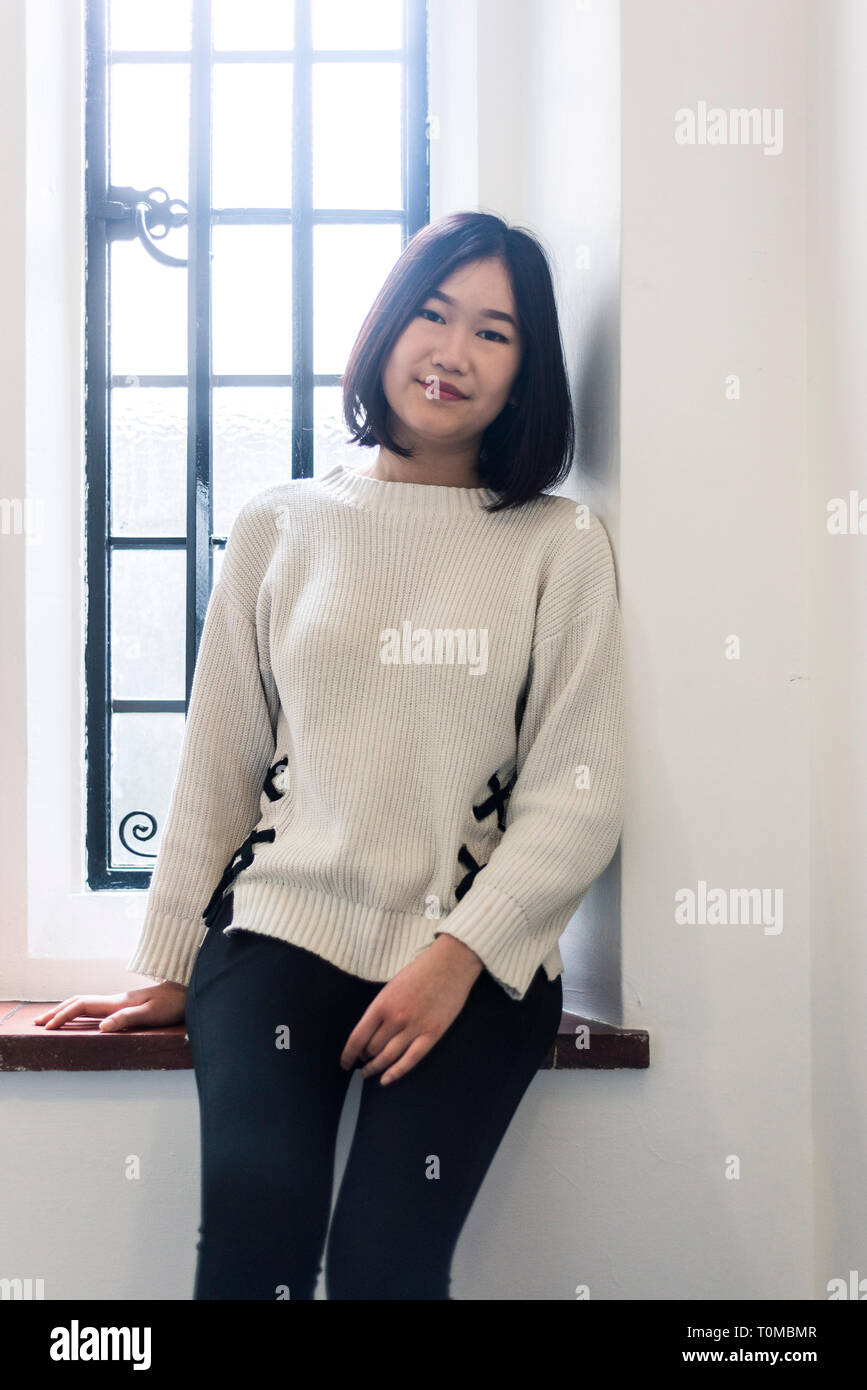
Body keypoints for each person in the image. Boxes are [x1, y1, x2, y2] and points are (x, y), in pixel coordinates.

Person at [35, 211, 625, 1300]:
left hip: (477, 963)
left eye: (494, 333)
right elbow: (219, 762)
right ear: (390, 325)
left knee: (384, 1270)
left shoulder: (562, 545)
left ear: (526, 369)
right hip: (279, 937)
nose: (451, 353)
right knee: (258, 1241)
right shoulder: (281, 525)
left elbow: (578, 796)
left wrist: (456, 957)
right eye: (434, 314)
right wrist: (169, 960)